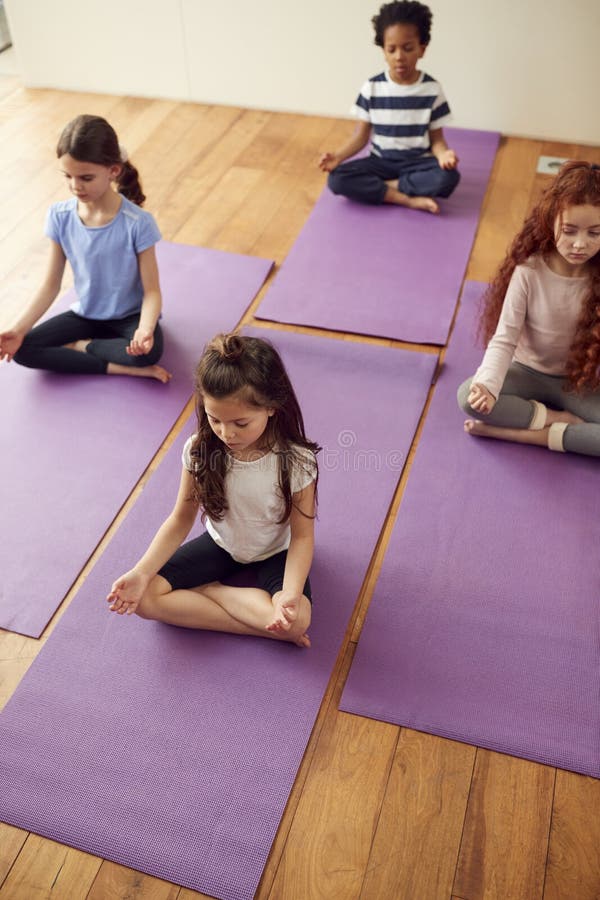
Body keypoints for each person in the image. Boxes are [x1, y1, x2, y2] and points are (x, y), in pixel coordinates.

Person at [107, 333, 319, 646]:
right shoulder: (199, 450)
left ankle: (211, 591)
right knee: (146, 598)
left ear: (272, 406)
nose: (225, 432)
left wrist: (288, 594)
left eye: (241, 423)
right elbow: (180, 519)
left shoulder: (297, 461)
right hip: (224, 545)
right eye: (214, 418)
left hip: (277, 551)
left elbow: (302, 537)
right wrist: (141, 572)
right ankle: (256, 620)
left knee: (297, 618)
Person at [0, 114, 170, 381]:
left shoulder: (138, 223)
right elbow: (50, 285)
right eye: (67, 176)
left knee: (149, 353)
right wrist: (19, 330)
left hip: (130, 317)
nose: (75, 186)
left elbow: (152, 292)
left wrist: (145, 330)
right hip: (87, 314)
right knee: (24, 349)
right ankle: (118, 368)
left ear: (114, 170)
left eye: (86, 177)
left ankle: (83, 347)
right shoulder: (60, 216)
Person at [458, 160, 600, 457]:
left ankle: (524, 435)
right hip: (525, 371)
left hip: (574, 381)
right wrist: (487, 385)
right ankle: (555, 421)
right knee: (468, 399)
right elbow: (504, 338)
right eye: (570, 230)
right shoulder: (530, 272)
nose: (579, 244)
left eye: (594, 234)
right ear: (551, 221)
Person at [319, 0, 459, 214]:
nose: (399, 56)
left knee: (449, 177)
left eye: (408, 48)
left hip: (418, 163)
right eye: (391, 49)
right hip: (380, 162)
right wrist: (338, 157)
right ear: (383, 51)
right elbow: (361, 137)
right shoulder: (372, 88)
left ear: (422, 49)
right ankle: (406, 198)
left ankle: (384, 188)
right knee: (337, 179)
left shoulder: (432, 89)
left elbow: (437, 140)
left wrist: (443, 156)